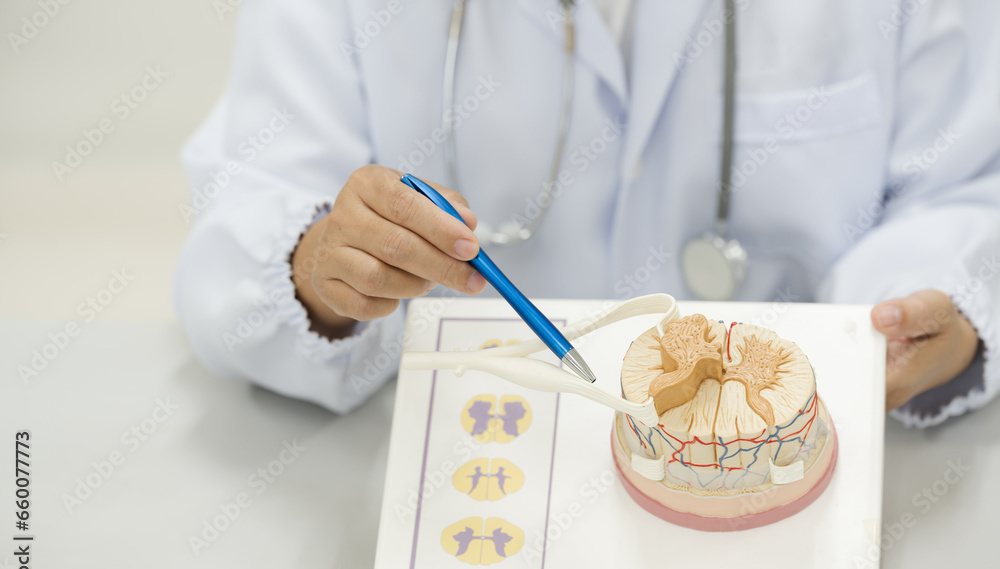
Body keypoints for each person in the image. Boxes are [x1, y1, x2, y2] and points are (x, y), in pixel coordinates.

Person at [175, 0, 1000, 427]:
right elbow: (252, 206)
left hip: (795, 456)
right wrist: (321, 270)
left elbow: (965, 185)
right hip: (465, 466)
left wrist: (933, 306)